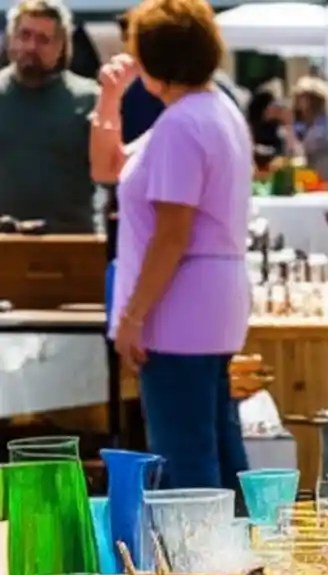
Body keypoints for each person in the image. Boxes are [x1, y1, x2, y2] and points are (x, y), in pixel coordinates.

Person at [90, 0, 252, 493]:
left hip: (179, 306)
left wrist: (134, 315)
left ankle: (200, 564)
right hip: (212, 299)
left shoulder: (182, 124)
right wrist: (110, 99)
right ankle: (241, 554)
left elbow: (172, 233)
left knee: (185, 459)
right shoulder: (213, 109)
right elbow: (108, 167)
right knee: (219, 450)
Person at [0, 0, 98, 233]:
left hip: (69, 247)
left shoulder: (90, 99)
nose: (31, 47)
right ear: (11, 38)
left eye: (44, 39)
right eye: (24, 35)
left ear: (62, 46)